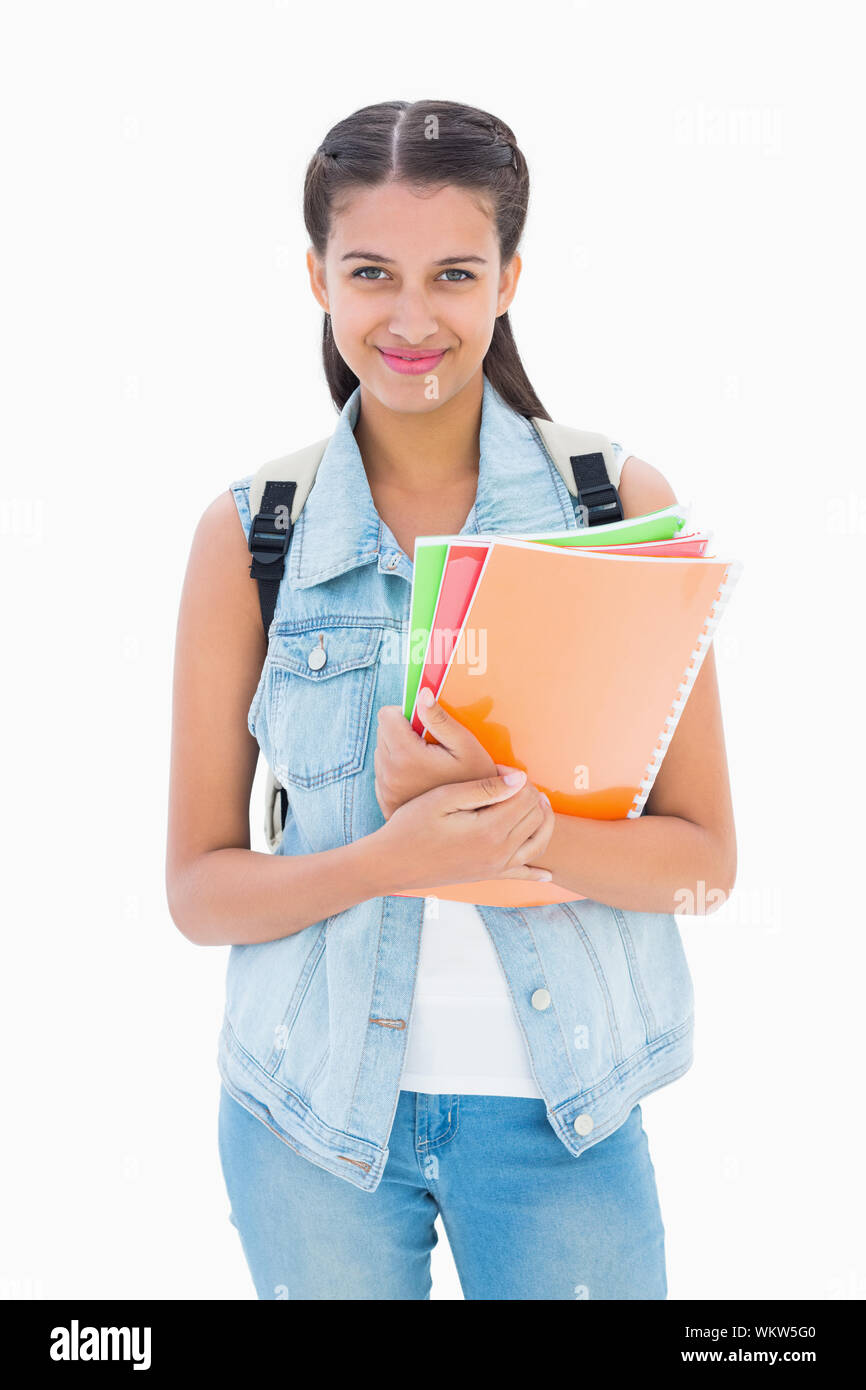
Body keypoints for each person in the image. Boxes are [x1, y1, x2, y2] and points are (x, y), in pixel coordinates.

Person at [166, 99, 737, 1300]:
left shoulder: (613, 505)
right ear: (317, 277)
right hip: (308, 1127)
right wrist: (391, 859)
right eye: (370, 272)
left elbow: (702, 863)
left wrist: (520, 832)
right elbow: (198, 891)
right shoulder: (252, 537)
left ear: (508, 279)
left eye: (455, 274)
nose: (412, 318)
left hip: (562, 1130)